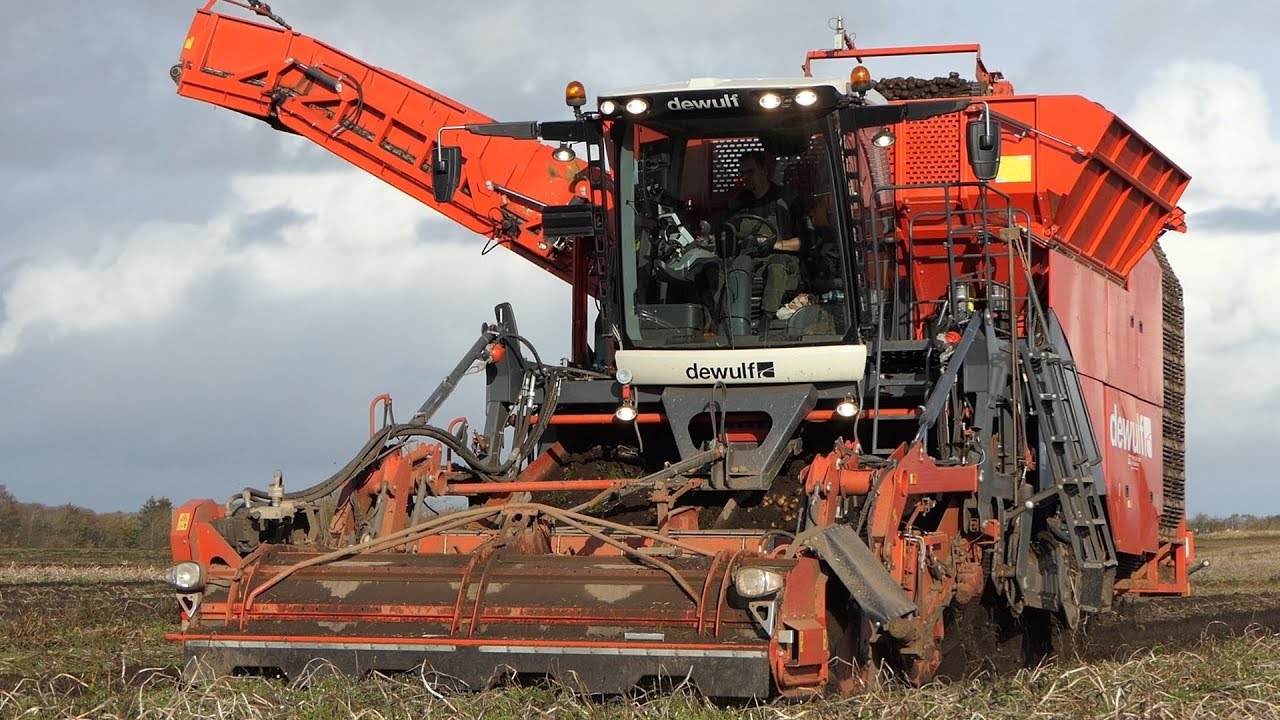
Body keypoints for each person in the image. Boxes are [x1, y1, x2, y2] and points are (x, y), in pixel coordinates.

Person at [726, 150, 812, 321]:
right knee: (726, 267)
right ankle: (726, 320)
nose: (746, 177)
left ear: (764, 170)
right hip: (750, 259)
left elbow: (806, 242)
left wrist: (774, 244)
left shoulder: (788, 200)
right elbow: (728, 233)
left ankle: (766, 320)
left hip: (784, 259)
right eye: (742, 173)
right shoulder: (739, 202)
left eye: (750, 172)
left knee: (777, 267)